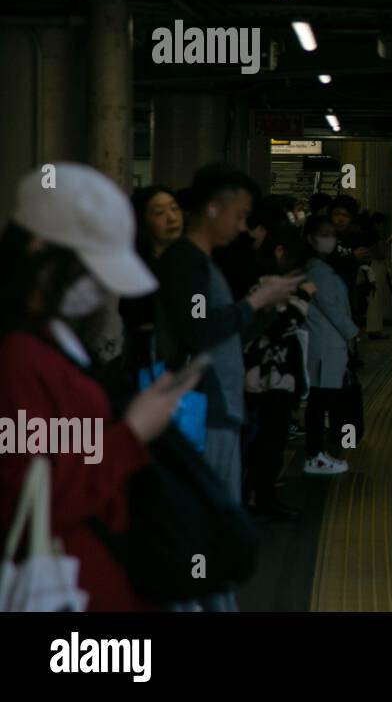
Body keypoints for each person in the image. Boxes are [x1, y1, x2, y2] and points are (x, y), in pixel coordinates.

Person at [0, 164, 200, 611]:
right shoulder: (17, 358)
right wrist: (133, 433)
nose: (99, 288)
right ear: (39, 248)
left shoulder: (55, 338)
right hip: (64, 591)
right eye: (88, 269)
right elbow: (31, 493)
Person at [154, 164, 301, 609]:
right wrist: (254, 301)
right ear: (212, 208)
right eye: (238, 214)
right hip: (202, 413)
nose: (242, 226)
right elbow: (200, 330)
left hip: (216, 410)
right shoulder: (186, 262)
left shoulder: (202, 265)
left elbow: (223, 335)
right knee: (209, 525)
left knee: (213, 525)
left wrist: (269, 307)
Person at [242, 224, 314, 520]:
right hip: (266, 379)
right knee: (266, 441)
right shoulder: (263, 284)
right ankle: (260, 499)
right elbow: (280, 322)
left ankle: (262, 496)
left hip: (276, 377)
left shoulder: (271, 284)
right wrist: (303, 299)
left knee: (270, 441)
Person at [302, 215, 360, 475]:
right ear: (310, 238)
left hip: (326, 344)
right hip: (326, 345)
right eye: (324, 233)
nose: (330, 238)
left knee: (319, 401)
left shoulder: (319, 268)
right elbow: (333, 308)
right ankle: (315, 455)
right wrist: (352, 334)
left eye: (332, 233)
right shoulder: (318, 271)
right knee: (319, 402)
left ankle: (318, 453)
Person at [120, 185, 183, 376]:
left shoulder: (190, 262)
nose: (171, 218)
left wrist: (200, 316)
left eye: (174, 208)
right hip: (149, 364)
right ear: (143, 220)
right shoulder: (135, 267)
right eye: (159, 212)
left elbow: (201, 309)